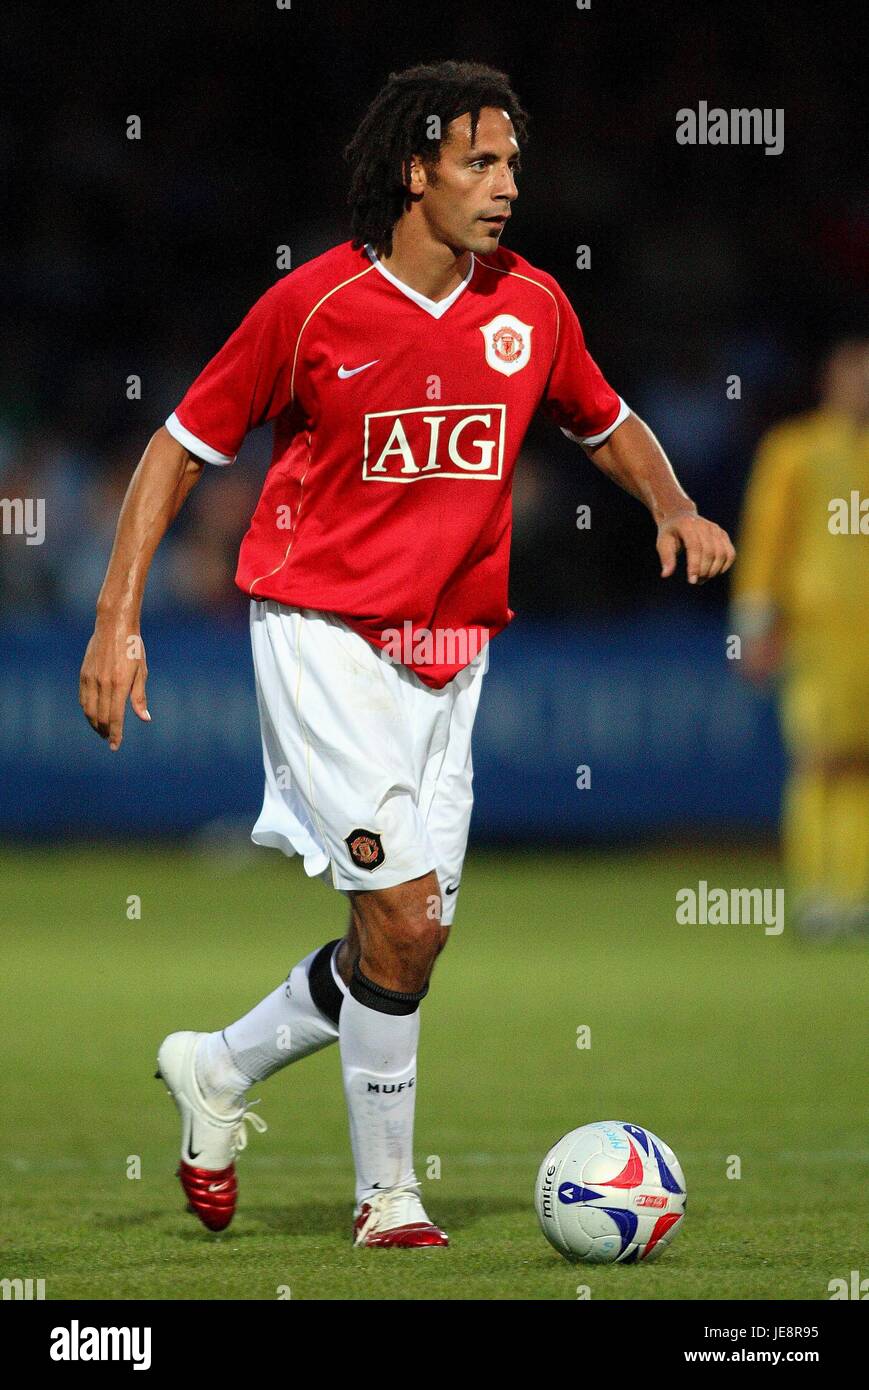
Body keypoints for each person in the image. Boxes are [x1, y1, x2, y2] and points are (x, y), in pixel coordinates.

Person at [79, 60, 734, 1247]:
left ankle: (217, 1068)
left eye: (513, 166)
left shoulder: (529, 304)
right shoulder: (313, 308)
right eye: (480, 162)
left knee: (406, 939)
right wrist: (116, 618)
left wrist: (671, 504)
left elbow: (606, 418)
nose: (505, 186)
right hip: (320, 637)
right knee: (406, 911)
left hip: (453, 658)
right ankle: (388, 1198)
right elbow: (175, 449)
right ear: (414, 168)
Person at [732, 339, 869, 939]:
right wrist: (755, 624)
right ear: (830, 380)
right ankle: (818, 892)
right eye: (854, 375)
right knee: (820, 760)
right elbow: (767, 538)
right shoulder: (793, 449)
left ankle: (857, 893)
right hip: (818, 631)